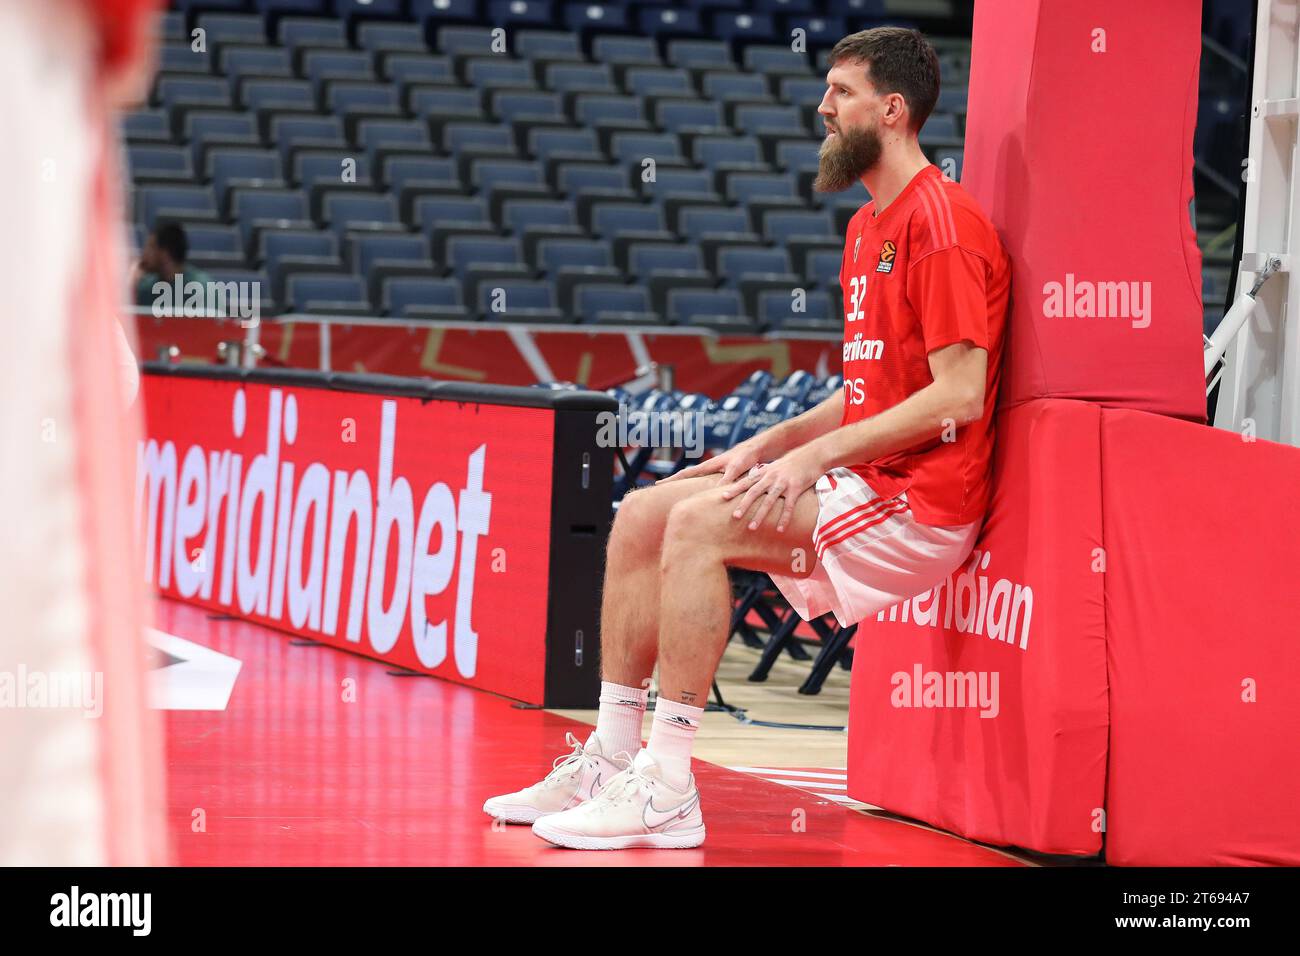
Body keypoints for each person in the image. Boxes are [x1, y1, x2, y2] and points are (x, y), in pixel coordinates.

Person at [483, 27, 1012, 850]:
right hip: (865, 480)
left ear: (894, 109)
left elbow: (961, 395)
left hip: (920, 505)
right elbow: (868, 391)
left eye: (841, 92)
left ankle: (667, 786)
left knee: (698, 528)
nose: (822, 107)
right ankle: (613, 755)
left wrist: (810, 461)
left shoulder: (940, 225)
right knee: (643, 512)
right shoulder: (868, 226)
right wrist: (773, 443)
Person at [133, 220, 212, 309]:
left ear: (164, 254)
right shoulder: (145, 288)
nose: (144, 254)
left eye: (150, 247)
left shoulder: (202, 289)